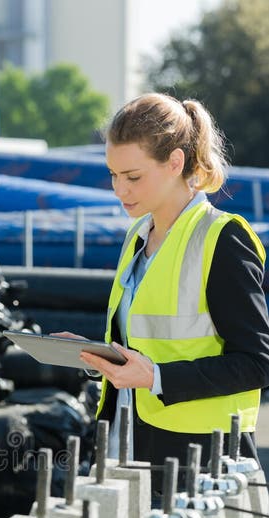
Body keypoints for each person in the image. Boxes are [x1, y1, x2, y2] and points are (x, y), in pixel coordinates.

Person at [59, 92, 269, 489]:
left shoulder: (222, 238)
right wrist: (96, 356)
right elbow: (145, 342)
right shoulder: (138, 236)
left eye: (133, 177)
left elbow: (258, 363)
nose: (120, 190)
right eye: (113, 176)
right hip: (127, 448)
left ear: (175, 162)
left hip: (202, 462)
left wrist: (156, 378)